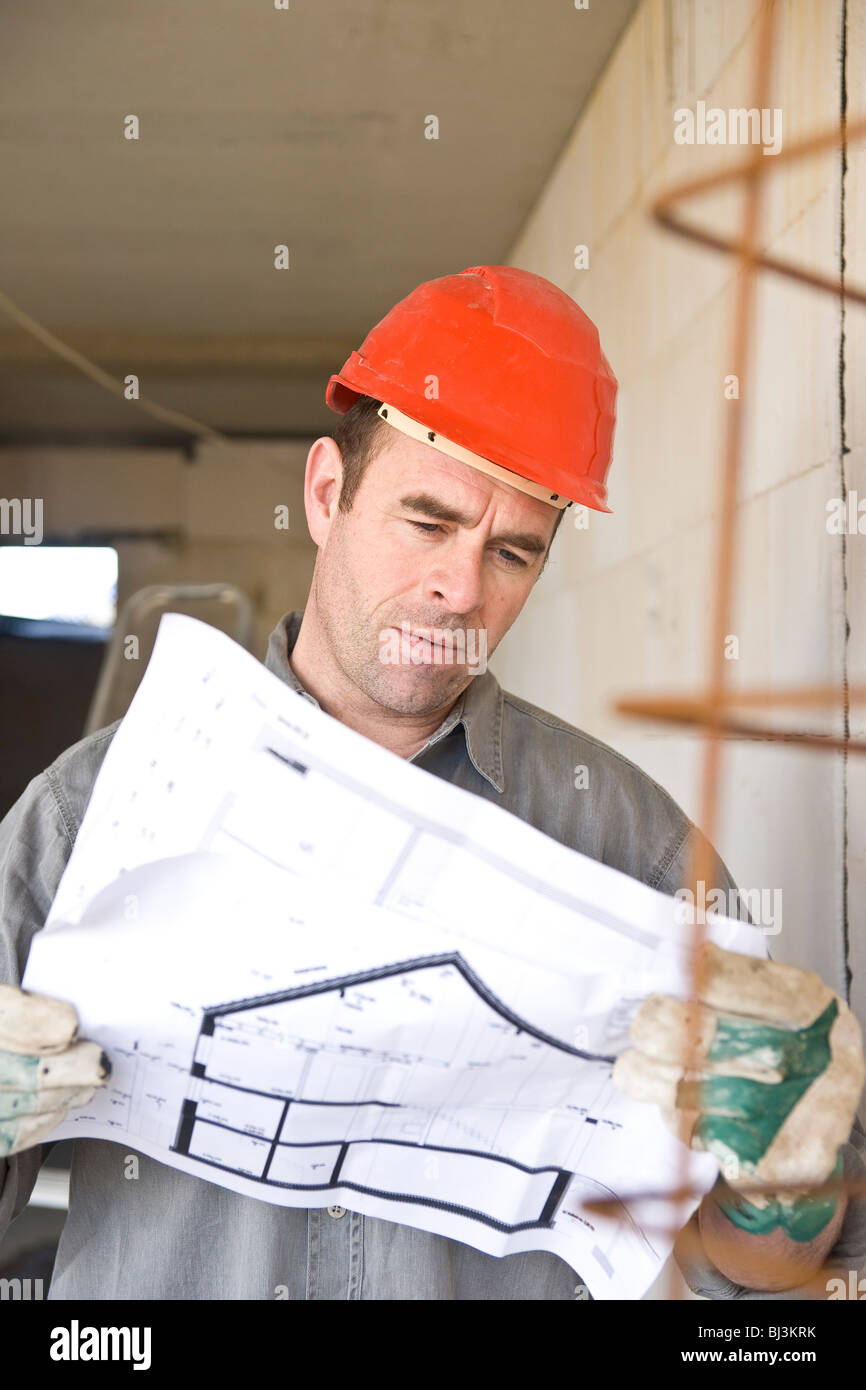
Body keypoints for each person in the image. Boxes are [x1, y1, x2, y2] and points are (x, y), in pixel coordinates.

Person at [0, 265, 863, 1301]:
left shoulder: (631, 853)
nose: (460, 587)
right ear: (328, 493)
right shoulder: (85, 819)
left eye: (511, 552)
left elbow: (749, 1295)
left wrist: (791, 1195)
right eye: (426, 522)